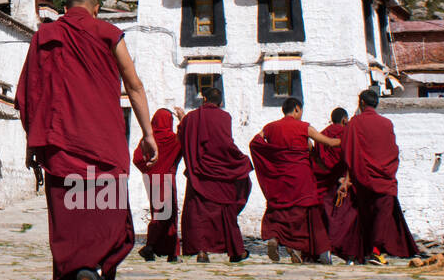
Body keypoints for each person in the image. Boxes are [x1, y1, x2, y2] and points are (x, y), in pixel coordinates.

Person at [15, 0, 154, 280]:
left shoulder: (45, 36)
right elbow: (133, 84)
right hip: (103, 142)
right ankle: (93, 268)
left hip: (59, 144)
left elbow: (30, 96)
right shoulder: (107, 32)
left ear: (65, 8)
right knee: (108, 213)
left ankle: (83, 270)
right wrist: (148, 133)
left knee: (71, 217)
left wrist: (32, 146)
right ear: (96, 10)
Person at [251, 97, 340, 265]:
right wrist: (347, 138)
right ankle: (296, 249)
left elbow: (255, 142)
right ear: (297, 109)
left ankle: (275, 238)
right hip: (300, 177)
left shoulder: (270, 127)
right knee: (302, 213)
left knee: (279, 210)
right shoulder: (304, 127)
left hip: (279, 178)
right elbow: (329, 142)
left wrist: (271, 159)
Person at [342, 90, 419, 265]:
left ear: (361, 103)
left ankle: (361, 253)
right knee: (381, 216)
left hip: (363, 178)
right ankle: (374, 252)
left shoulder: (355, 123)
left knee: (363, 215)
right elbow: (393, 150)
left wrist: (352, 173)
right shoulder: (386, 123)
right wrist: (388, 168)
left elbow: (347, 150)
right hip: (384, 177)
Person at [178, 88, 253, 263]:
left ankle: (201, 251)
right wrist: (239, 160)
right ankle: (236, 251)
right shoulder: (224, 117)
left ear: (204, 100)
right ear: (220, 102)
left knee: (199, 214)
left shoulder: (191, 118)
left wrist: (183, 120)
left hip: (199, 172)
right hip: (221, 172)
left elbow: (183, 137)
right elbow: (226, 143)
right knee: (226, 212)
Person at [312, 107, 363, 264]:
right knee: (348, 218)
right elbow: (350, 158)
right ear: (344, 120)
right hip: (342, 182)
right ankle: (349, 255)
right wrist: (346, 178)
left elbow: (318, 159)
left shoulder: (321, 135)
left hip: (324, 183)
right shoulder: (346, 134)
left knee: (323, 217)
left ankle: (323, 250)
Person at [134, 108, 183, 262]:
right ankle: (153, 248)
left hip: (151, 181)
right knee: (168, 215)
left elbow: (137, 159)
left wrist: (147, 169)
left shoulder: (148, 139)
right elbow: (187, 139)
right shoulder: (173, 139)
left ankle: (167, 252)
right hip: (167, 179)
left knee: (159, 213)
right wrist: (183, 120)